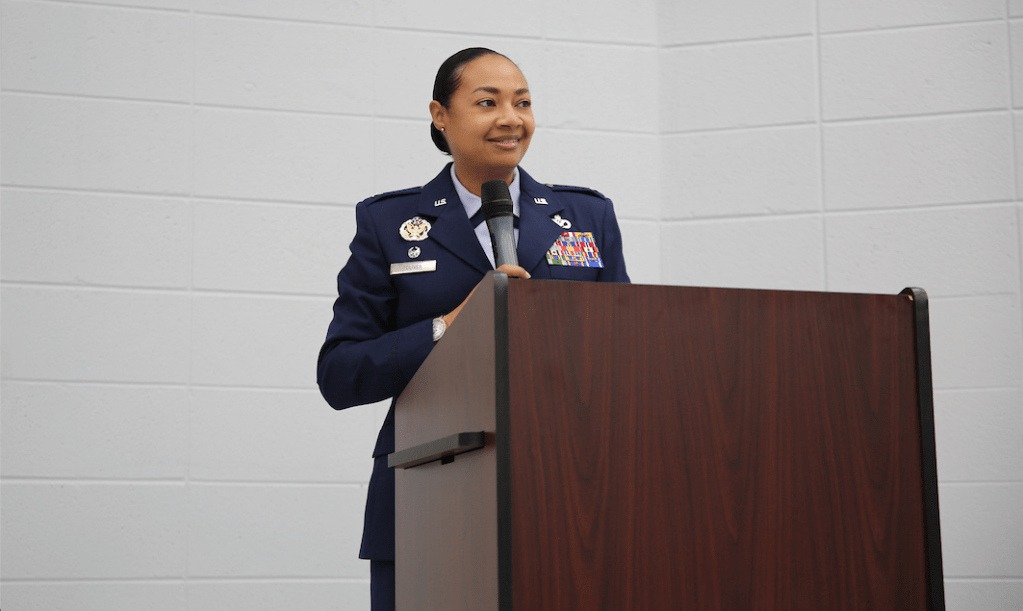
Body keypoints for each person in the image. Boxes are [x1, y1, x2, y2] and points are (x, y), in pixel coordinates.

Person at [316, 47, 630, 611]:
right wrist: (449, 326)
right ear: (440, 115)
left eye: (523, 102)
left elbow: (629, 357)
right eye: (488, 102)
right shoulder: (389, 224)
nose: (511, 118)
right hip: (426, 493)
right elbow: (340, 375)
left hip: (569, 493)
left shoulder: (586, 217)